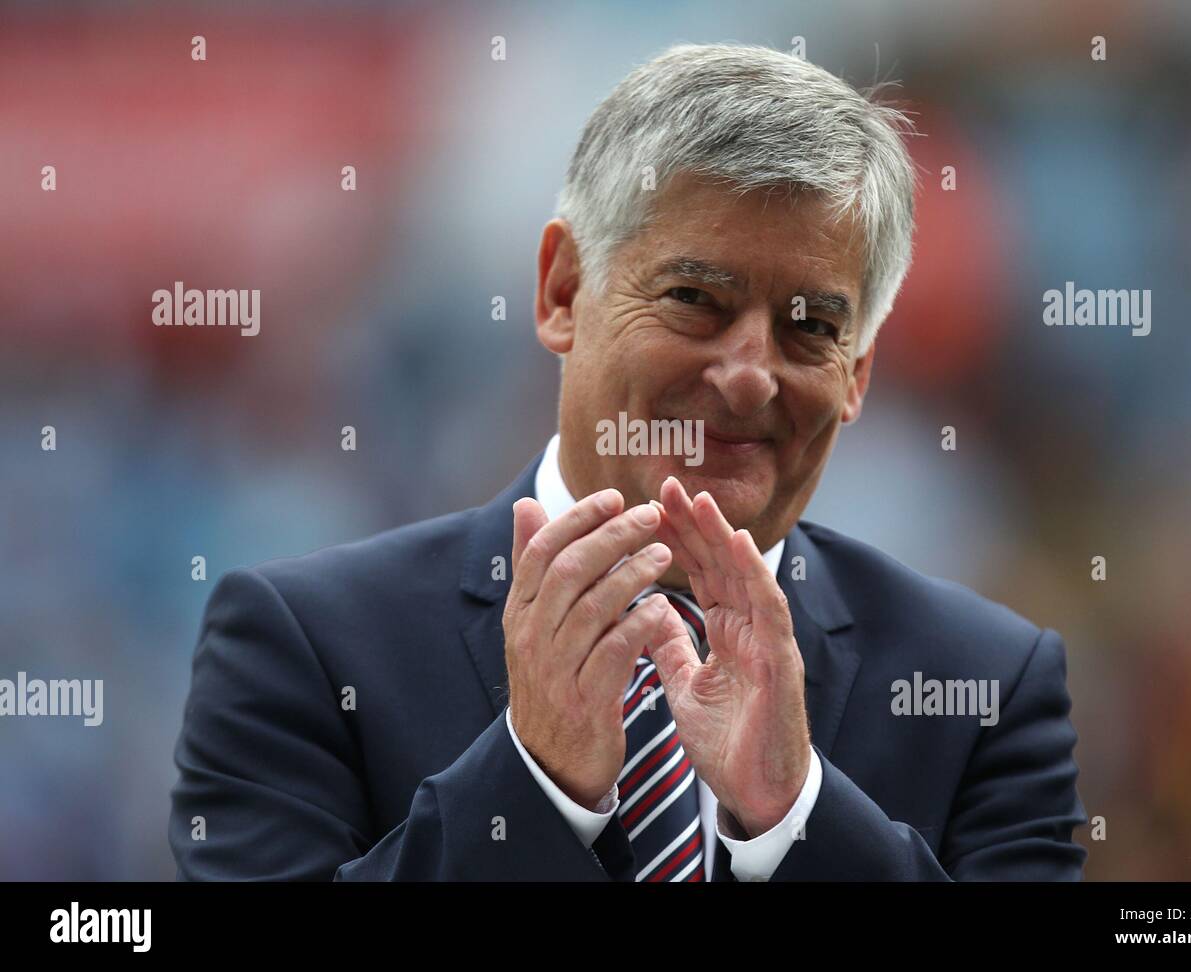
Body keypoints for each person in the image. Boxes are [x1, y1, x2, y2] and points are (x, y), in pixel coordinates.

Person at [169, 42, 1087, 881]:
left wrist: (793, 818)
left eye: (811, 327)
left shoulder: (987, 688)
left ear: (858, 374)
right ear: (563, 291)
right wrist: (535, 782)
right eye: (695, 299)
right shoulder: (303, 646)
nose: (748, 378)